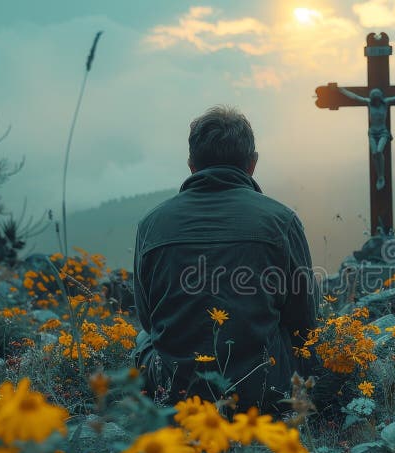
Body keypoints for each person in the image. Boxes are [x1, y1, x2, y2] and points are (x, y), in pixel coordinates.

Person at [131, 105, 319, 413]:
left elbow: (149, 319)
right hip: (263, 393)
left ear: (192, 165)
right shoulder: (281, 220)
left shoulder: (151, 224)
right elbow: (304, 321)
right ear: (252, 164)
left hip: (177, 393)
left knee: (143, 339)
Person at [337, 82, 395, 190]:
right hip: (372, 132)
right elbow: (355, 97)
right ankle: (379, 175)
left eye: (377, 97)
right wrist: (340, 90)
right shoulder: (369, 103)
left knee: (379, 151)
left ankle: (381, 177)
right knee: (375, 153)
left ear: (380, 97)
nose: (375, 99)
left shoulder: (386, 103)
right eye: (374, 97)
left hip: (383, 132)